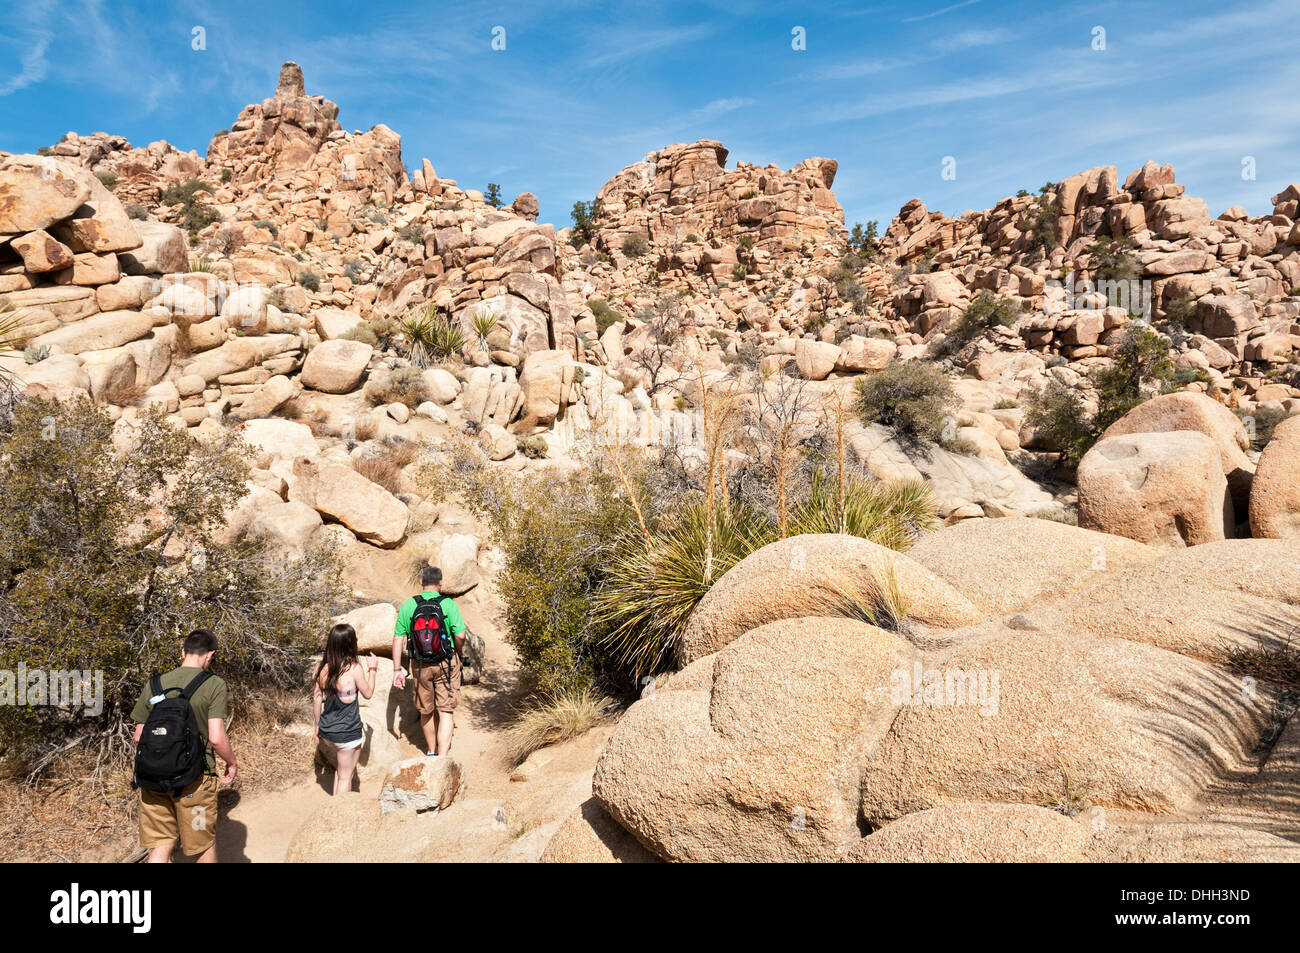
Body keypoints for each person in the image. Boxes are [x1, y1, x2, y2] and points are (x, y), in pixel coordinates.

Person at [131, 628, 237, 864]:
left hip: (153, 780)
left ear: (183, 652)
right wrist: (231, 762)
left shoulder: (155, 684)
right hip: (195, 782)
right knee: (202, 847)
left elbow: (139, 737)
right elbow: (217, 737)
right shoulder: (214, 684)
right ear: (210, 655)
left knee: (159, 847)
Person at [392, 566, 467, 756]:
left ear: (421, 582)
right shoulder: (448, 604)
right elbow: (460, 635)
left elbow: (397, 639)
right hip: (446, 662)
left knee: (426, 711)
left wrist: (396, 670)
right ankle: (443, 757)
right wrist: (457, 652)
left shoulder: (409, 605)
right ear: (440, 583)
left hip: (420, 664)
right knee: (446, 711)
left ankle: (431, 751)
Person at [313, 623, 377, 795]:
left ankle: (335, 806)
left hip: (327, 730)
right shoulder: (354, 668)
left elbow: (317, 698)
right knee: (346, 776)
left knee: (341, 772)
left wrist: (318, 725)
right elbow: (368, 693)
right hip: (347, 732)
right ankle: (340, 817)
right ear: (351, 644)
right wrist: (373, 669)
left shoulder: (320, 667)